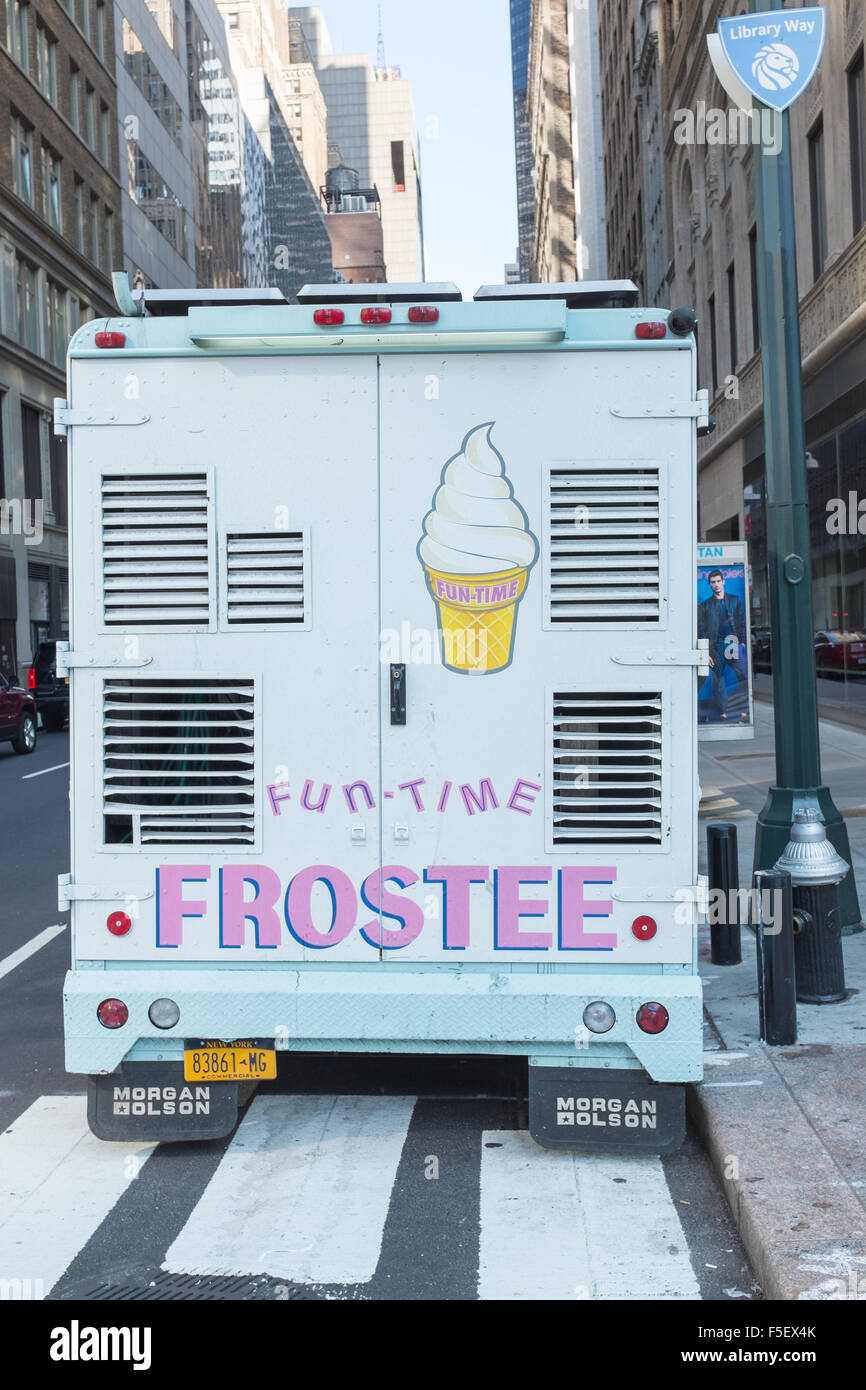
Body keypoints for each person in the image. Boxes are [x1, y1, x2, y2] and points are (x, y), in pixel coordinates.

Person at [698, 569, 747, 720]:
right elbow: (702, 630)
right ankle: (722, 710)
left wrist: (743, 641)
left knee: (741, 676)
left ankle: (742, 707)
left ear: (723, 581)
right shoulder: (706, 605)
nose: (716, 585)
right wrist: (705, 652)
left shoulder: (734, 600)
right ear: (710, 585)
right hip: (716, 646)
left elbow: (741, 621)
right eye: (713, 582)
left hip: (732, 643)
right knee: (718, 679)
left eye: (718, 581)